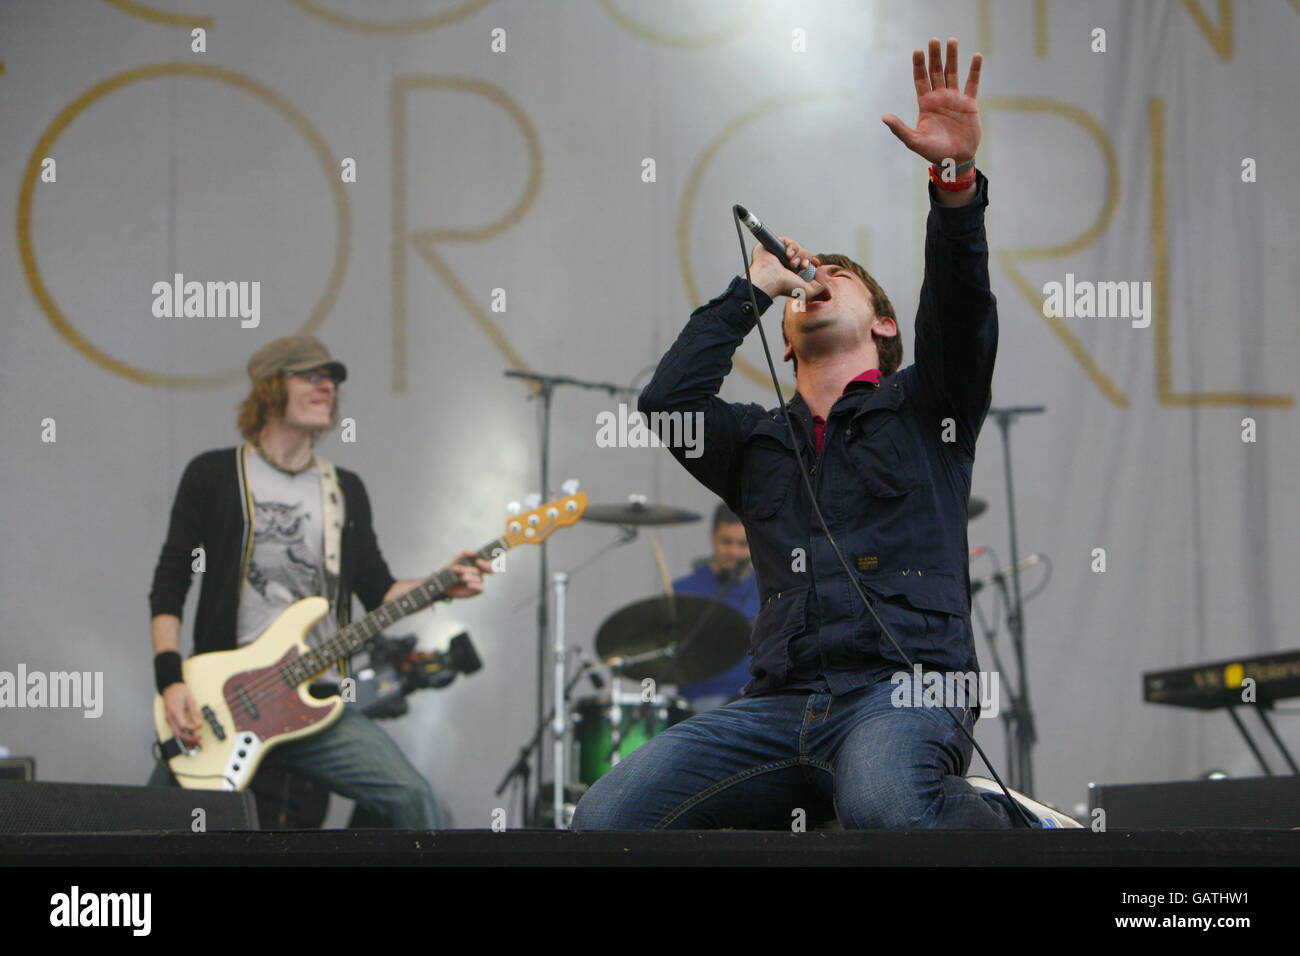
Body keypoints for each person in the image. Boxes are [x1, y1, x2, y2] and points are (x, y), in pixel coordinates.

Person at [573, 38, 1078, 830]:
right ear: (781, 341)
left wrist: (953, 182)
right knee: (603, 820)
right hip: (779, 703)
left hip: (908, 688)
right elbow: (668, 400)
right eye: (804, 287)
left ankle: (1017, 830)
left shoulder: (927, 404)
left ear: (881, 324)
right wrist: (753, 287)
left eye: (838, 280)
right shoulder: (754, 440)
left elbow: (959, 303)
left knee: (881, 801)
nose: (815, 283)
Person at [147, 335, 490, 828]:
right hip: (222, 703)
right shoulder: (213, 475)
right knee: (148, 826)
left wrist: (441, 584)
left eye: (331, 379)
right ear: (270, 388)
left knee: (413, 799)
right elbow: (171, 578)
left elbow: (378, 591)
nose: (327, 386)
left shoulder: (343, 489)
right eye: (310, 376)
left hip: (317, 701)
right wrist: (170, 680)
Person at [673, 503, 759, 711]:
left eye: (743, 544)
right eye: (726, 542)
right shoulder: (682, 591)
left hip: (758, 701)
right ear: (713, 537)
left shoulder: (772, 589)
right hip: (702, 703)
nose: (734, 552)